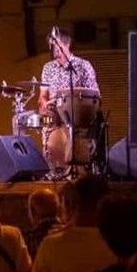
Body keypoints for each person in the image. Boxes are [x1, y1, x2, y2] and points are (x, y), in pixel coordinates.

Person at [36, 27, 100, 176]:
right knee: (44, 121)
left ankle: (79, 165)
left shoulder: (83, 66)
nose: (52, 48)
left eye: (55, 44)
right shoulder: (48, 68)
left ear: (66, 44)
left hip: (77, 112)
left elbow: (95, 95)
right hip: (54, 113)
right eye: (50, 45)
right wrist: (43, 104)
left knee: (79, 124)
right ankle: (53, 165)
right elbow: (43, 95)